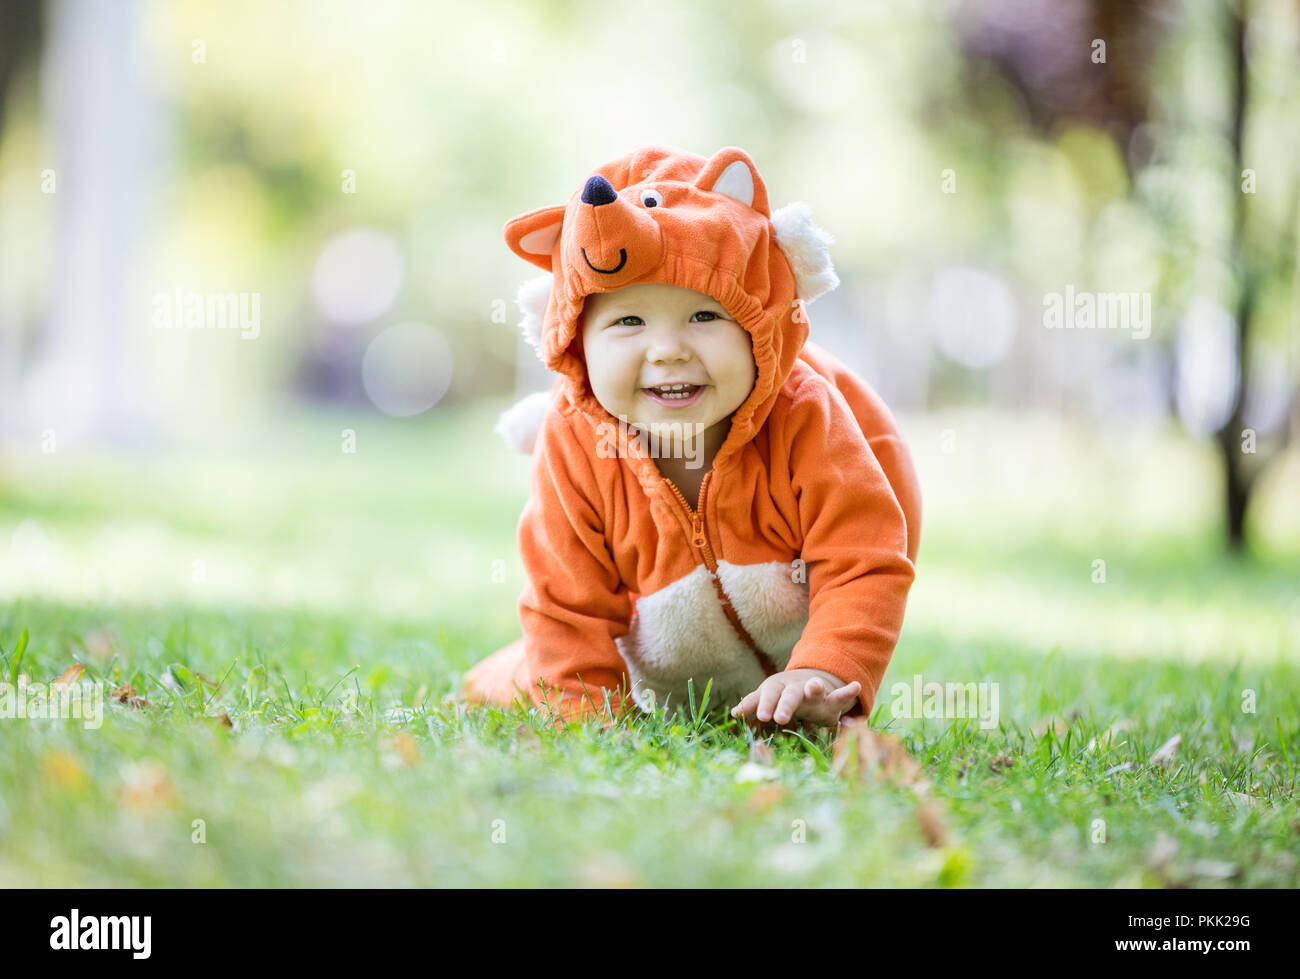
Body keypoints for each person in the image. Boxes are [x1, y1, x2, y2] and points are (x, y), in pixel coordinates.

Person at [463, 144, 921, 730]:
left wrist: (824, 673)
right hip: (658, 661)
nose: (669, 349)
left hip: (794, 646)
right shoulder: (575, 440)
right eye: (628, 321)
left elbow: (863, 560)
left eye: (705, 316)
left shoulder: (805, 414)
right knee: (521, 681)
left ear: (759, 322)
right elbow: (565, 604)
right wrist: (584, 719)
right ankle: (494, 678)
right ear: (578, 342)